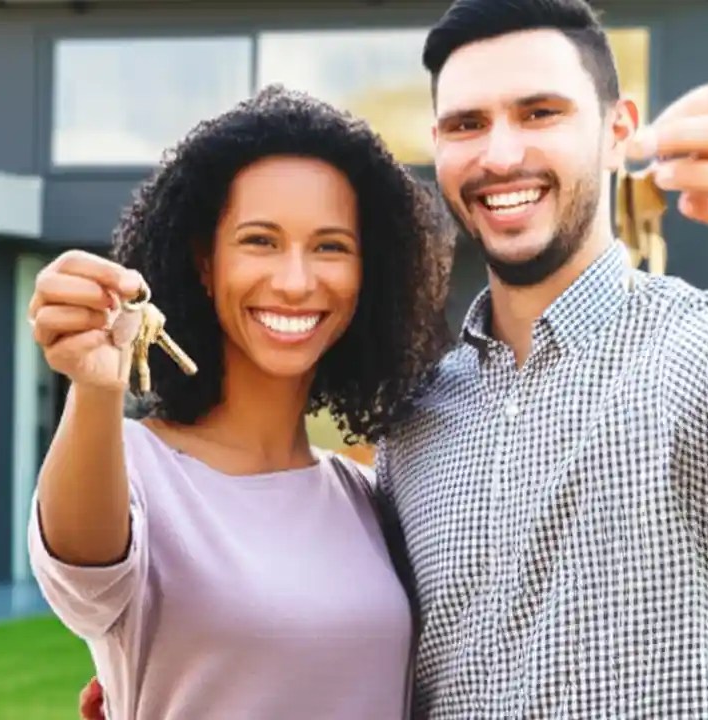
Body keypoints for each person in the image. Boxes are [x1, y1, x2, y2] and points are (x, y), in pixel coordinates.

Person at [79, 1, 708, 718]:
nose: (502, 153)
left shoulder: (702, 341)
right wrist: (172, 667)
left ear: (618, 129)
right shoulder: (412, 416)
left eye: (540, 112)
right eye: (467, 124)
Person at [26, 84, 455, 720]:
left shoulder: (366, 494)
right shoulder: (137, 468)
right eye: (260, 240)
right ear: (204, 262)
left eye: (331, 246)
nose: (294, 281)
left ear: (370, 274)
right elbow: (82, 574)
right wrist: (94, 385)